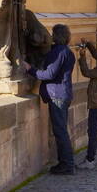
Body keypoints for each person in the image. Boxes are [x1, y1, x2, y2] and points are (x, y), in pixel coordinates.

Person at [32, 24, 77, 175]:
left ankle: (67, 165)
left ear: (56, 35)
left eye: (52, 34)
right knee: (61, 130)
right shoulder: (68, 52)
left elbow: (49, 74)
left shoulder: (59, 52)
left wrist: (29, 69)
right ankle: (65, 163)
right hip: (64, 93)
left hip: (57, 95)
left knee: (60, 131)